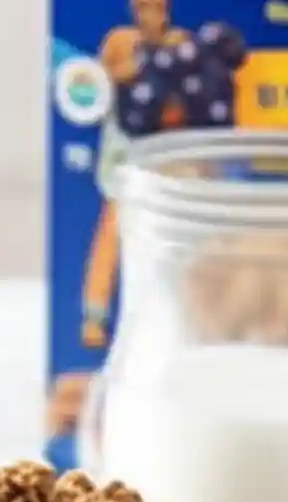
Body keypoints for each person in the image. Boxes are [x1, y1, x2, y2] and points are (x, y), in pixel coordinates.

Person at [82, 0, 188, 349]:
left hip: (168, 158)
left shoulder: (181, 43)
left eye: (156, 9)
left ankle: (179, 323)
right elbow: (99, 82)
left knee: (173, 244)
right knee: (111, 236)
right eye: (142, 8)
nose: (149, 16)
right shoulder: (120, 41)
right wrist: (138, 65)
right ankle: (94, 318)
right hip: (125, 153)